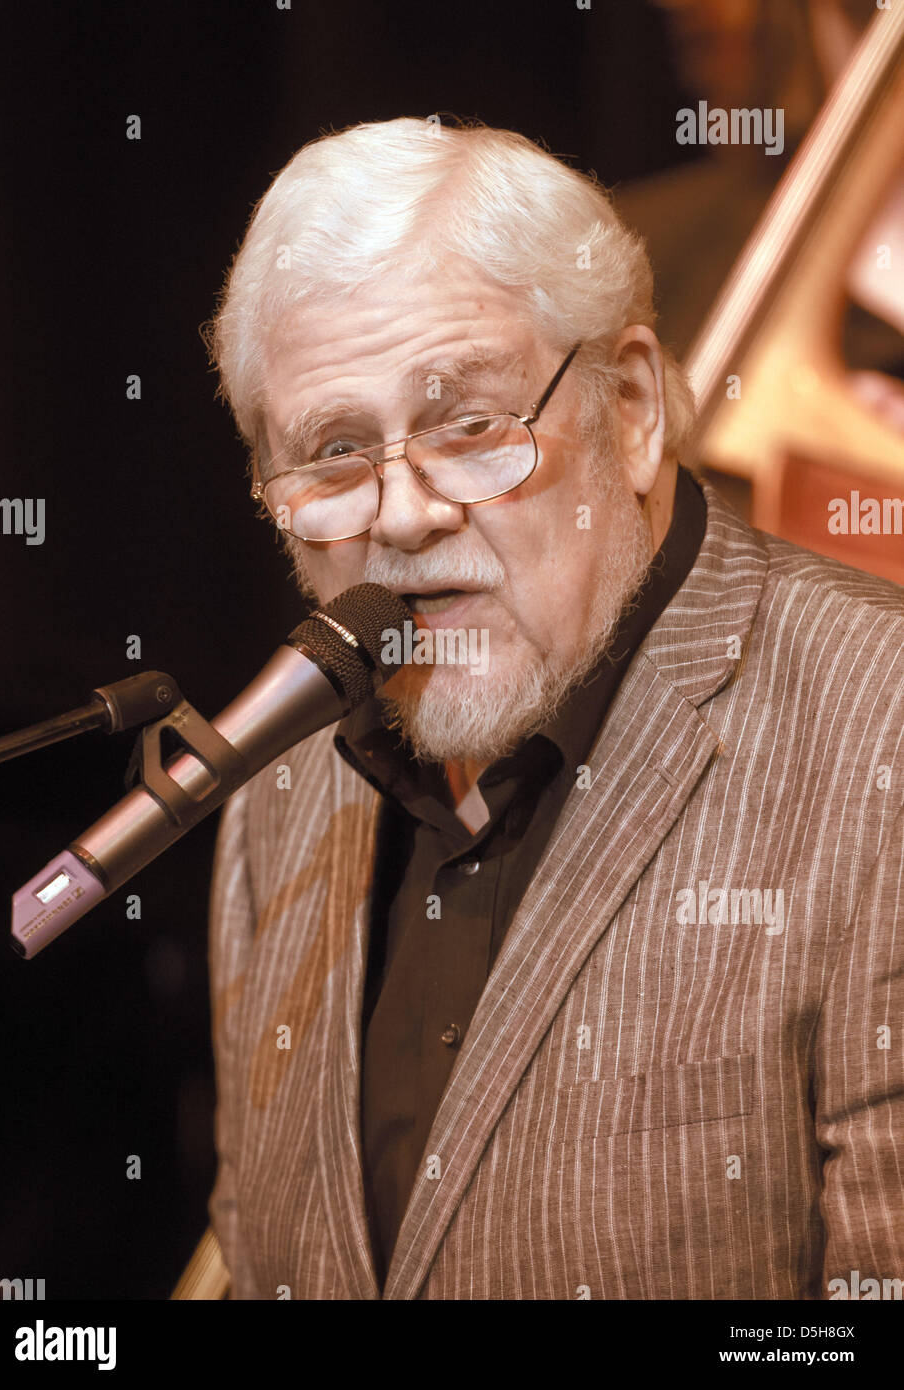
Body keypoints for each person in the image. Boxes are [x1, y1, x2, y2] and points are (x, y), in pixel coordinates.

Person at [202, 116, 904, 1300]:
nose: (403, 514)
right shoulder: (275, 790)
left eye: (470, 423)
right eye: (331, 453)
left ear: (631, 409)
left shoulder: (875, 728)